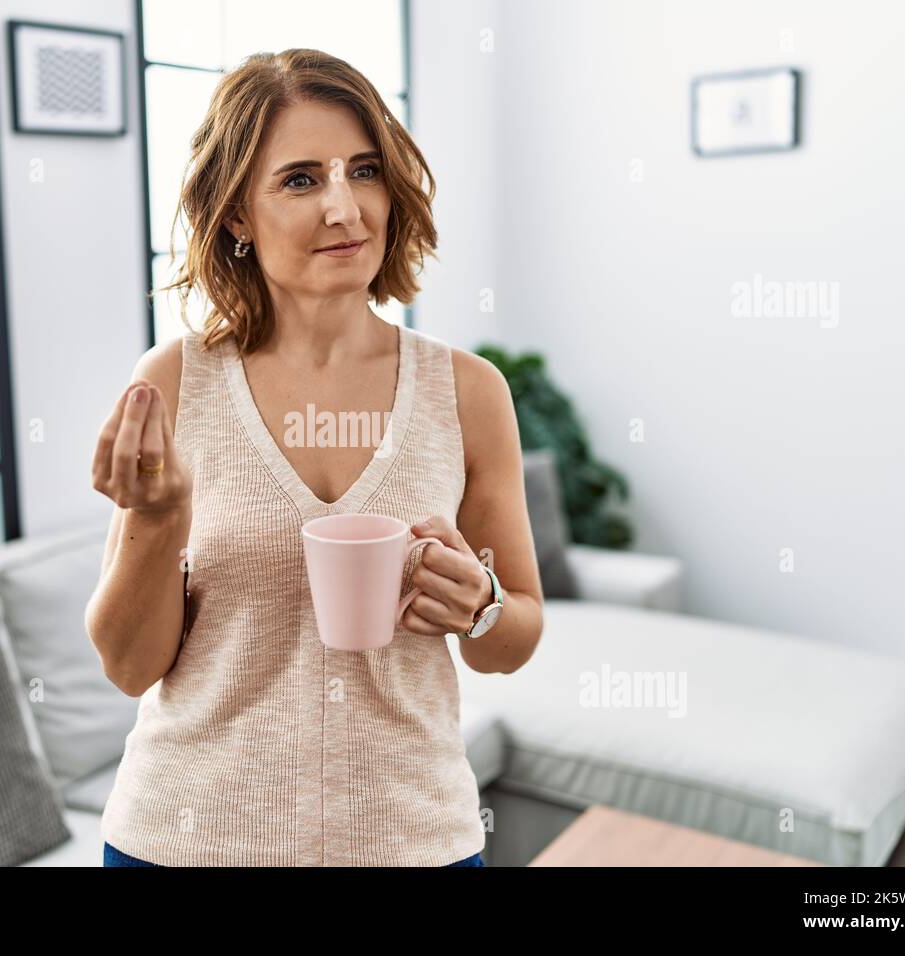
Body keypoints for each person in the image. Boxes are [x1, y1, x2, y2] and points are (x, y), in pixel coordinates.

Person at [86, 48, 544, 868]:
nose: (345, 208)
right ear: (234, 216)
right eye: (300, 180)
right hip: (184, 841)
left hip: (412, 841)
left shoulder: (468, 392)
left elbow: (512, 638)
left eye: (363, 171)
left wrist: (479, 602)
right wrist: (158, 523)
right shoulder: (173, 381)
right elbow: (129, 666)